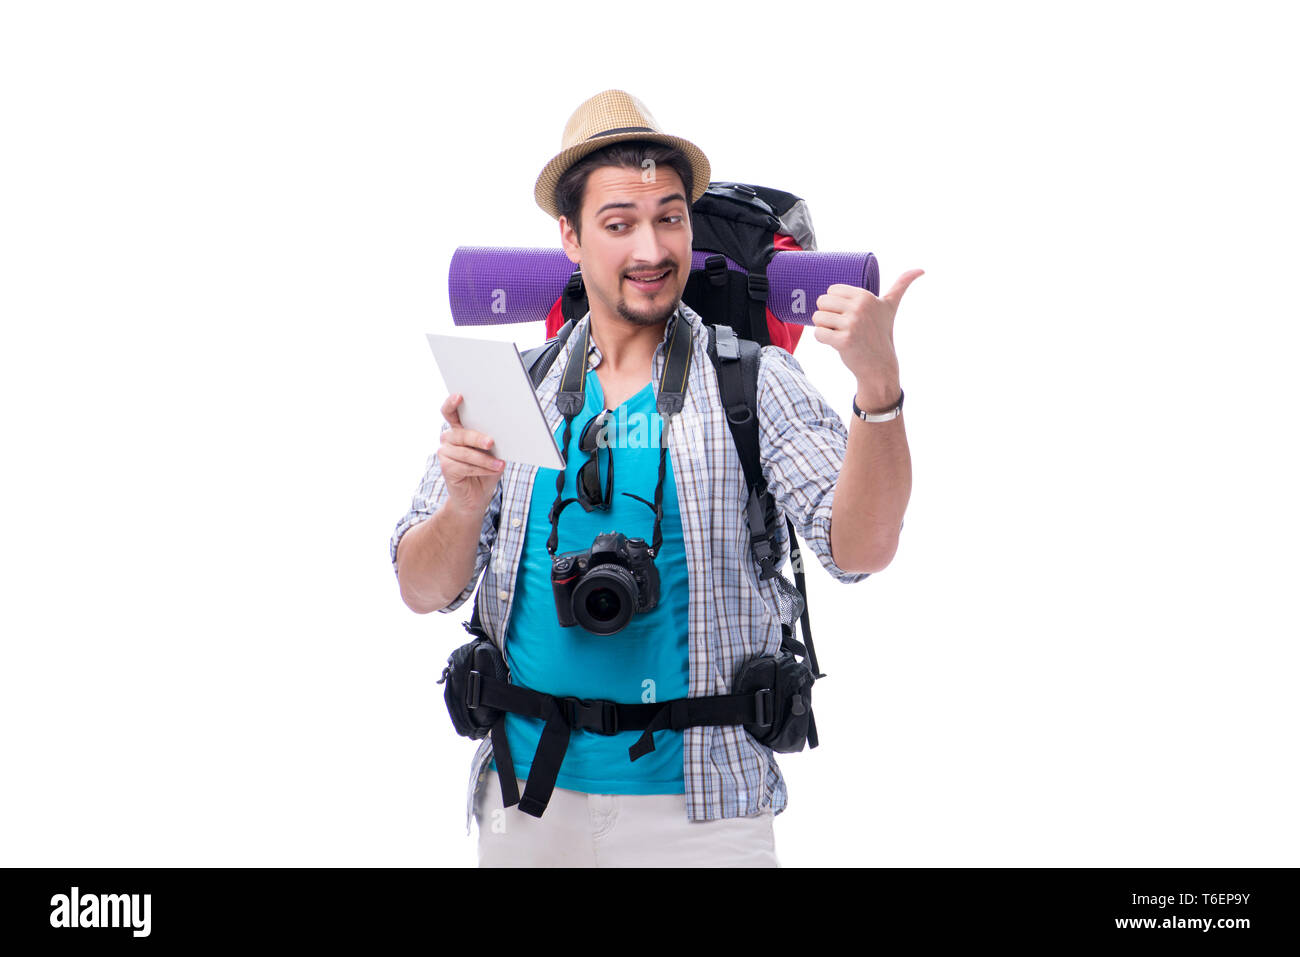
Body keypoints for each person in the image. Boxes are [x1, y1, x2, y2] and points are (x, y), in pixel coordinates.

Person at [390, 89, 918, 867]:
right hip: (528, 799)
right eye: (619, 224)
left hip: (707, 812)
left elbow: (863, 548)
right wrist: (464, 505)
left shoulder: (756, 382)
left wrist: (879, 390)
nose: (651, 248)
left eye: (670, 217)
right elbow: (421, 586)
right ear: (569, 237)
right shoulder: (514, 390)